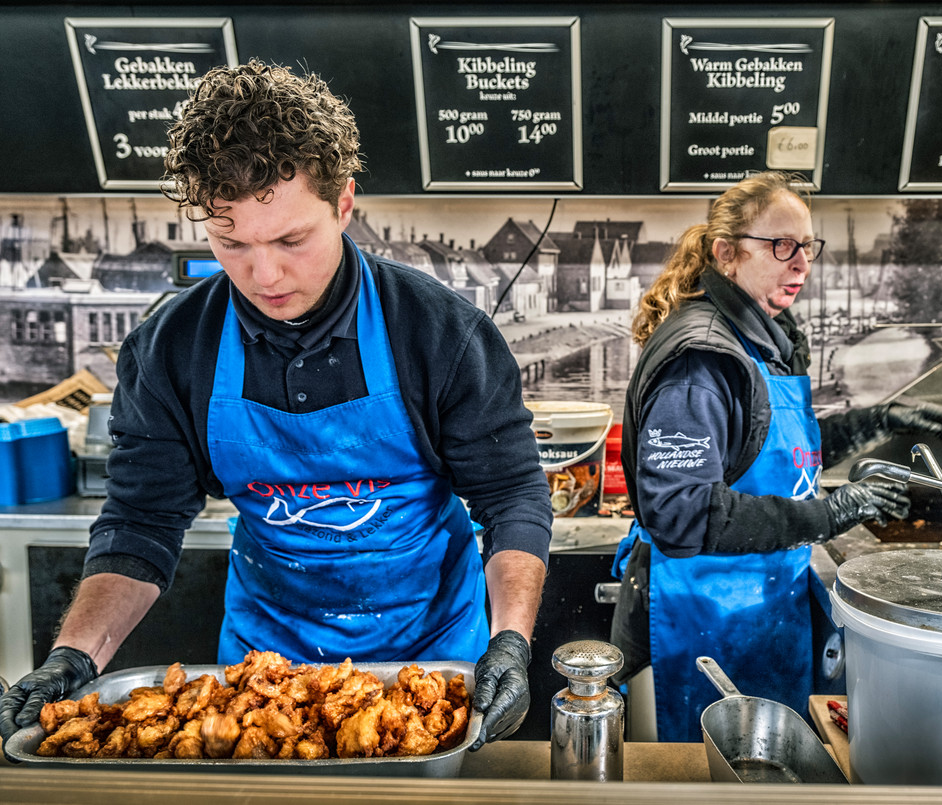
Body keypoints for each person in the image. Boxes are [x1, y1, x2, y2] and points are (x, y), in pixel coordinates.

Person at [0, 59, 551, 752]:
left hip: (434, 668)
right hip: (265, 675)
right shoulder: (175, 347)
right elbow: (141, 524)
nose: (263, 274)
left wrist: (509, 644)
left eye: (291, 239)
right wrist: (73, 657)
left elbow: (512, 499)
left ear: (344, 203)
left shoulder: (438, 333)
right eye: (231, 243)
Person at [609, 171, 942, 742]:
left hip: (756, 607)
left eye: (806, 246)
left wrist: (877, 421)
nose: (802, 263)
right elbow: (682, 516)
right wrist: (830, 513)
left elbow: (767, 442)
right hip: (700, 618)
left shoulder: (759, 339)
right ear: (727, 254)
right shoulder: (701, 361)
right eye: (782, 246)